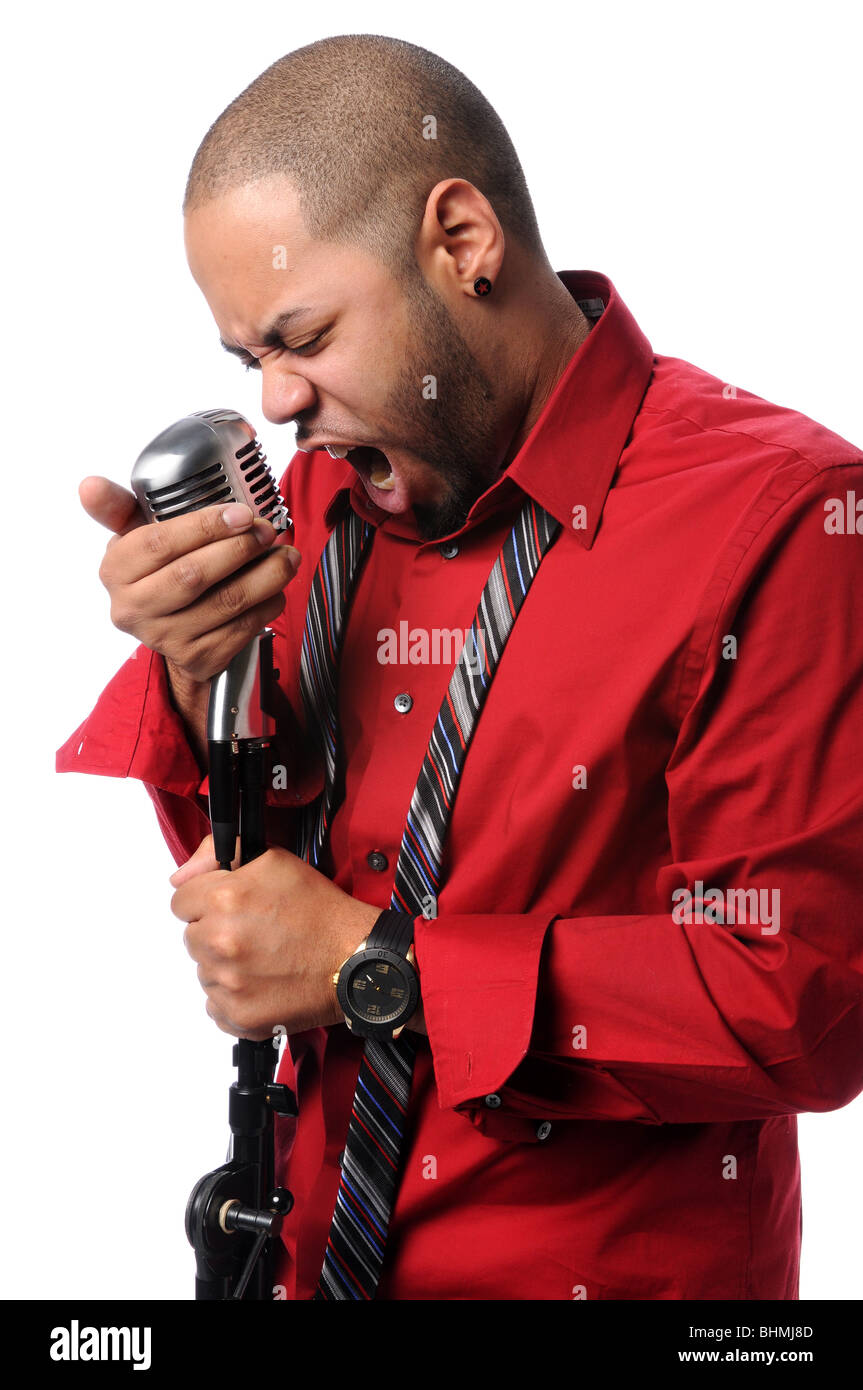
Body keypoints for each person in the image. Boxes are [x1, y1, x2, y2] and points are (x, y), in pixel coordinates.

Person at [57, 33, 863, 1301]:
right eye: (244, 361)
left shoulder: (781, 516)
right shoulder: (316, 501)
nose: (273, 404)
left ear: (464, 242)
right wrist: (191, 671)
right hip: (299, 1260)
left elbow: (800, 1000)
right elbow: (267, 889)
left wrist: (374, 968)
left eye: (301, 334)